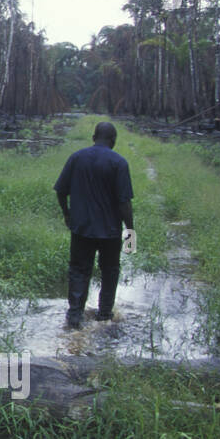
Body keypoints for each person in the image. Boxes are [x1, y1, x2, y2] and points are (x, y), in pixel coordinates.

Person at [53, 121, 134, 328]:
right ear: (113, 141)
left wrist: (67, 213)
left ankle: (74, 317)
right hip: (110, 231)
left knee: (79, 271)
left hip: (82, 228)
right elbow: (124, 203)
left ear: (93, 137)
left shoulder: (77, 158)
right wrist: (130, 230)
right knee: (110, 271)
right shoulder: (119, 163)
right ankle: (105, 316)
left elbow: (61, 190)